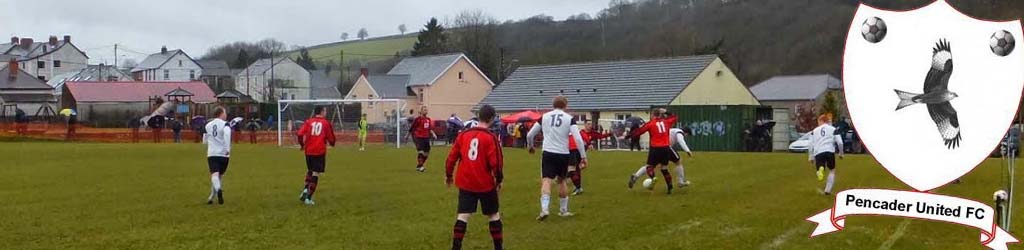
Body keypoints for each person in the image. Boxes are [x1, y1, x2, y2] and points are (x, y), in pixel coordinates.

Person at [445, 104, 504, 250]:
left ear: (479, 117)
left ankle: (456, 247)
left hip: (466, 182)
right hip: (484, 183)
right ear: (491, 118)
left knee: (463, 215)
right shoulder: (490, 137)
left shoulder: (463, 135)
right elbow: (496, 162)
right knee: (493, 215)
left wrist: (448, 175)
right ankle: (498, 248)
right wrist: (499, 179)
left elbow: (451, 157)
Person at [527, 96, 588, 220]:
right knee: (562, 180)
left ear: (553, 105)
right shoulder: (569, 119)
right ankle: (563, 210)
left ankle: (544, 209)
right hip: (563, 153)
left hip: (548, 152)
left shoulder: (544, 117)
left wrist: (530, 146)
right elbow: (578, 139)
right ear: (566, 106)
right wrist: (583, 156)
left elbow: (530, 134)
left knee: (546, 180)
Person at [625, 108, 679, 194]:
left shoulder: (650, 123)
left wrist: (628, 136)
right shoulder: (666, 122)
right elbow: (675, 117)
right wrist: (666, 112)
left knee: (649, 166)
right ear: (660, 114)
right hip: (666, 148)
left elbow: (639, 131)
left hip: (655, 148)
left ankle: (652, 177)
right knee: (664, 168)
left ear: (652, 115)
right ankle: (670, 187)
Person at [629, 126, 694, 188]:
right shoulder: (679, 132)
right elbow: (681, 141)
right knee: (678, 162)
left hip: (655, 147)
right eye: (687, 135)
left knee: (650, 166)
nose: (686, 136)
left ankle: (636, 176)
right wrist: (688, 151)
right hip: (665, 147)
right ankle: (681, 182)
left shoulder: (672, 130)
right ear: (686, 132)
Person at [297, 106, 337, 205]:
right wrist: (332, 143)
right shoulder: (325, 123)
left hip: (308, 151)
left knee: (310, 170)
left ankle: (305, 190)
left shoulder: (308, 122)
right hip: (319, 151)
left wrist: (302, 145)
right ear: (322, 111)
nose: (326, 113)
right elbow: (331, 138)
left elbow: (299, 134)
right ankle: (308, 198)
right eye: (325, 111)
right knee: (315, 173)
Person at [809, 113, 844, 195]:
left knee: (820, 168)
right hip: (829, 151)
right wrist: (841, 153)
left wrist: (810, 156)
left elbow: (810, 144)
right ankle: (828, 190)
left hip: (819, 152)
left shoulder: (814, 131)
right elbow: (840, 142)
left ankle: (820, 169)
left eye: (818, 121)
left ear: (821, 121)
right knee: (832, 170)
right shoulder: (833, 129)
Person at [203, 107, 232, 205]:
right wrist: (227, 149)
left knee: (214, 175)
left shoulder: (208, 125)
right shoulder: (225, 125)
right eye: (225, 112)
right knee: (219, 176)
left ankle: (217, 190)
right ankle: (211, 197)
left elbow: (205, 138)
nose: (226, 114)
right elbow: (227, 135)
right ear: (221, 113)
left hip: (212, 153)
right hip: (224, 155)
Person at [566, 121, 592, 196]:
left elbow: (583, 136)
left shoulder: (566, 130)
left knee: (571, 170)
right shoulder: (576, 130)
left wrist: (589, 144)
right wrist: (589, 143)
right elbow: (583, 136)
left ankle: (578, 188)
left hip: (572, 150)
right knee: (577, 169)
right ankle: (578, 186)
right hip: (577, 150)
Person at [410, 106, 438, 172]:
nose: (426, 111)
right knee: (421, 152)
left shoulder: (428, 119)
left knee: (426, 153)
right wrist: (407, 135)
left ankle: (419, 166)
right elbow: (412, 128)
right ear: (421, 111)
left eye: (426, 110)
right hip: (418, 137)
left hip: (426, 137)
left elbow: (429, 128)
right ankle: (421, 167)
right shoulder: (418, 119)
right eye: (424, 110)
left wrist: (433, 134)